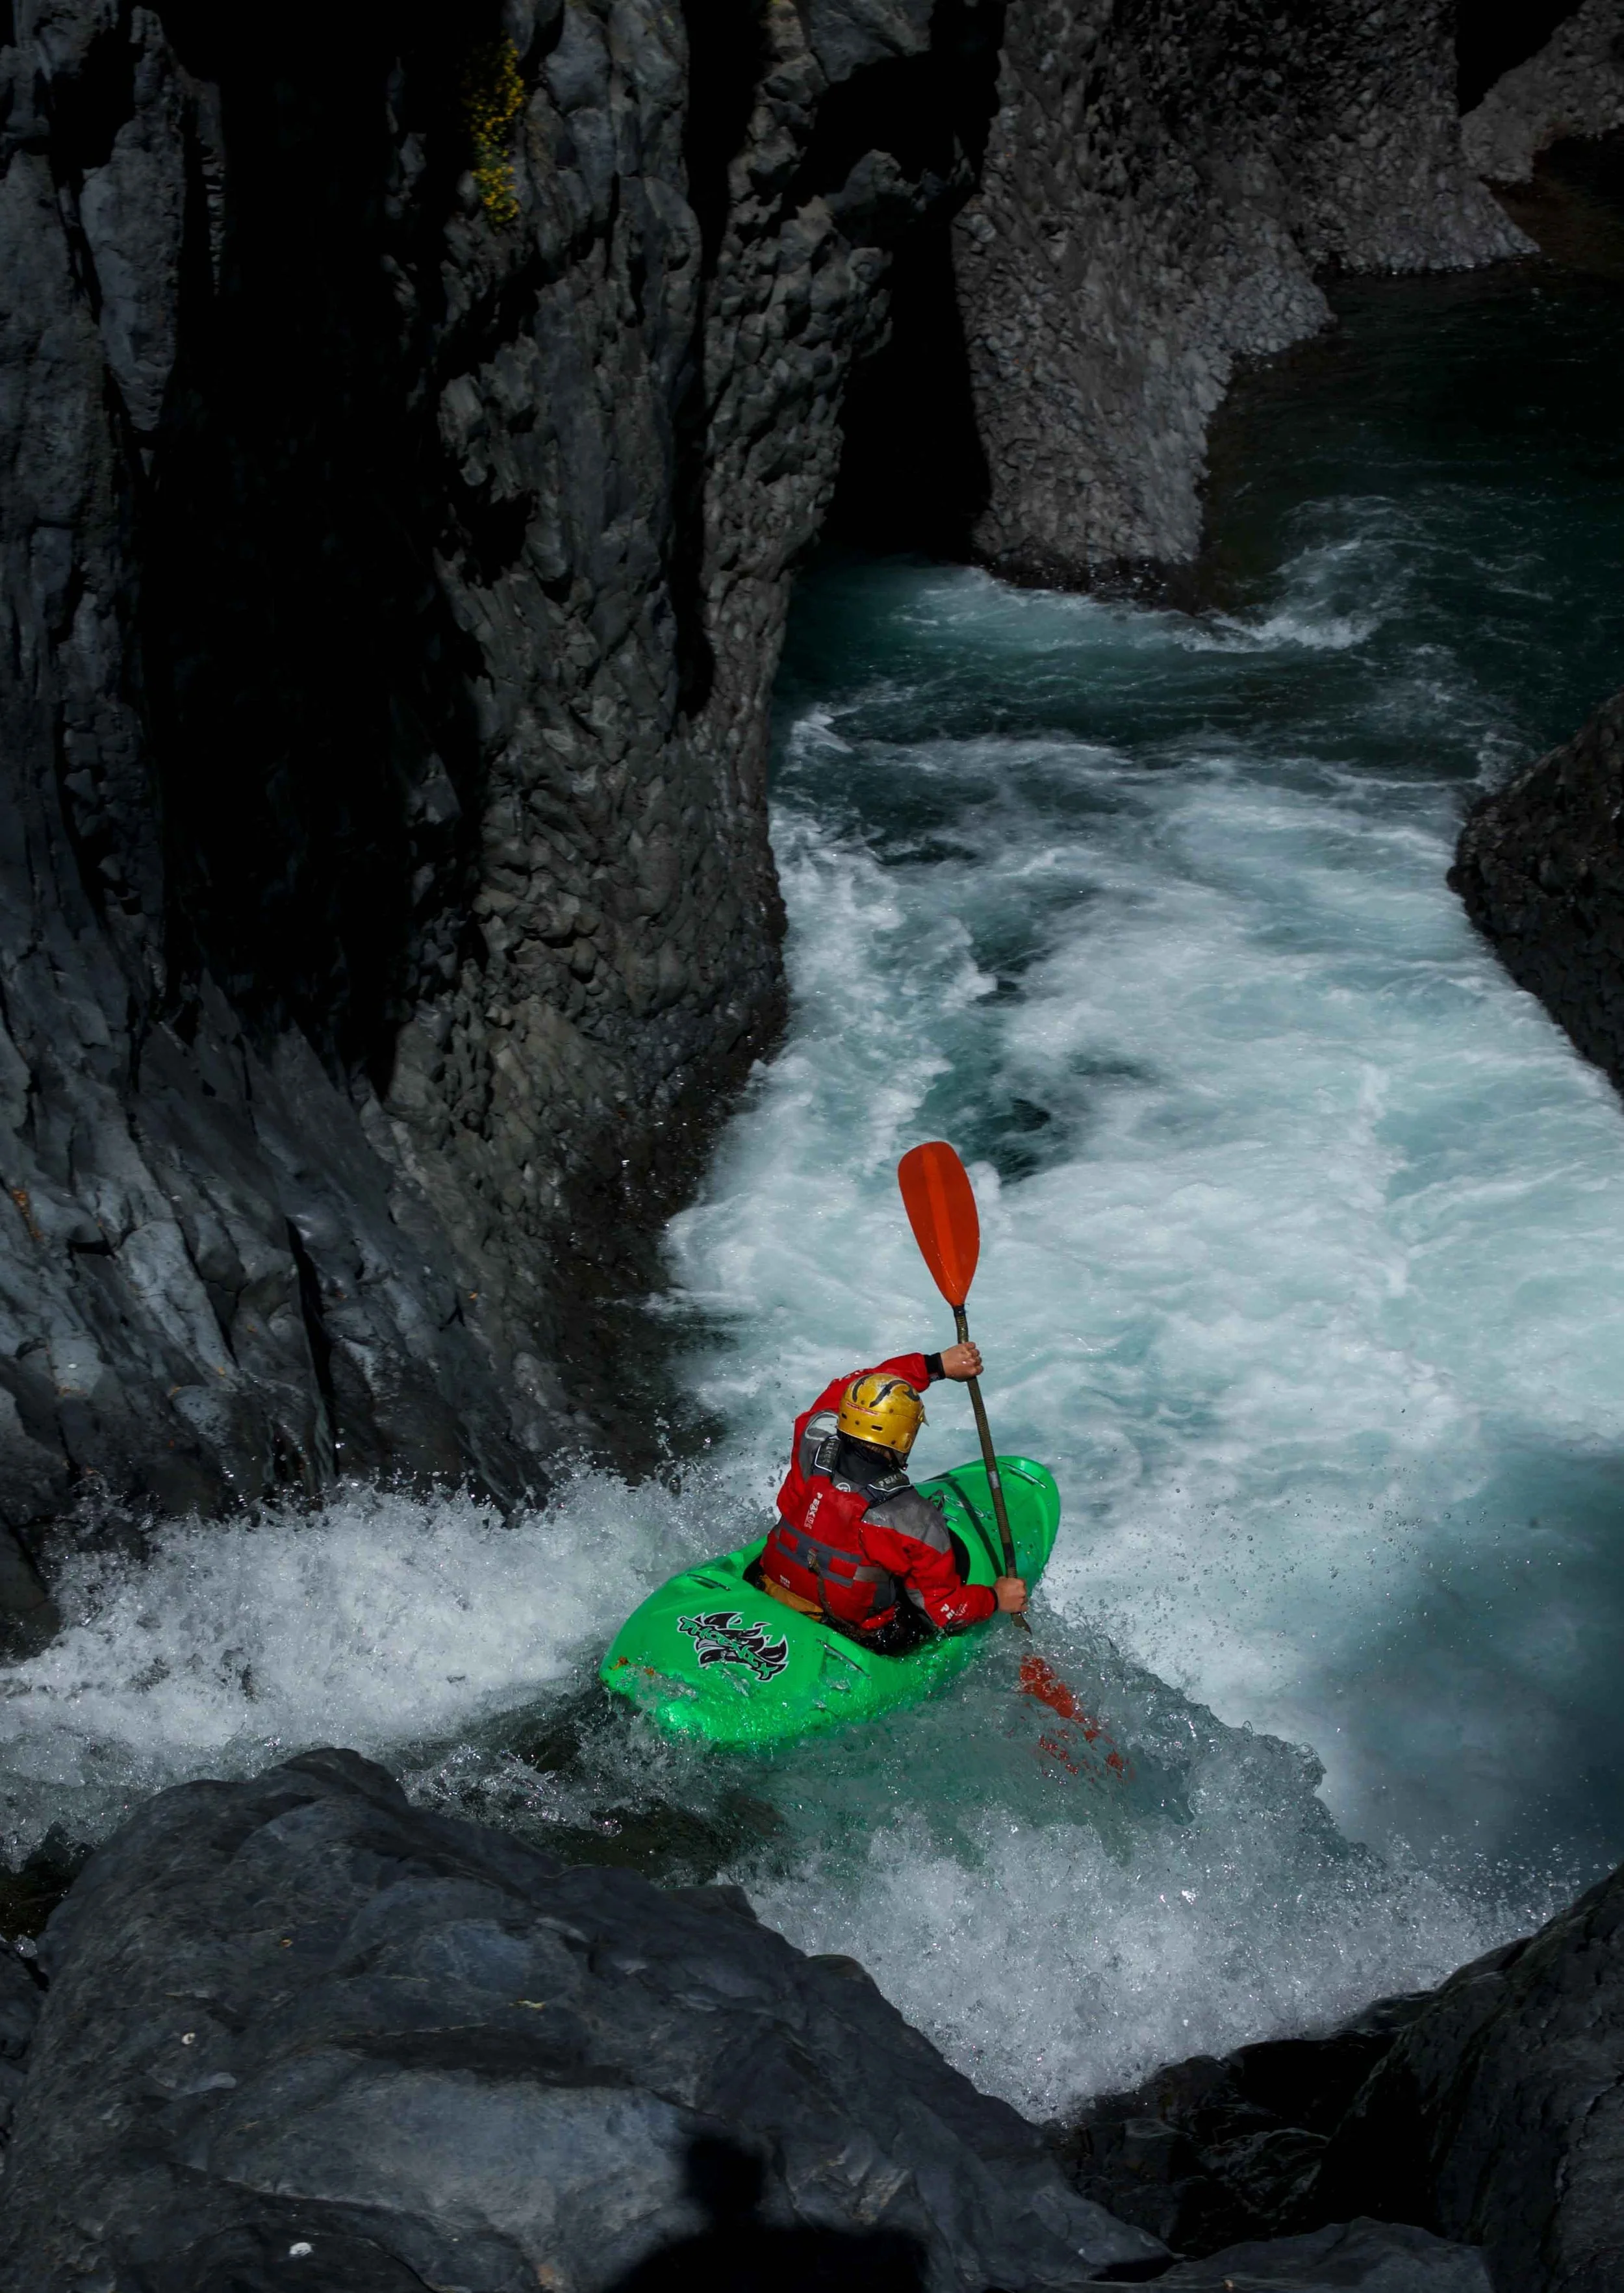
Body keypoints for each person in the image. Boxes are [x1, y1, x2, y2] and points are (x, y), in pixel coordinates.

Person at [753, 1342, 1028, 1654]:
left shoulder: (812, 1438)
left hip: (772, 1582)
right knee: (949, 1573)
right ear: (906, 1437)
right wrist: (995, 1598)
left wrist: (935, 1365)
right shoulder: (915, 1519)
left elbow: (854, 1384)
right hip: (849, 1629)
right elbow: (945, 1613)